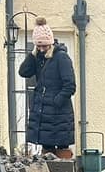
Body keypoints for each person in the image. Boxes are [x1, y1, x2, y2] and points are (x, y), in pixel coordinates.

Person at [18, 18, 76, 159]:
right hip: (43, 112)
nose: (42, 49)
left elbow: (70, 85)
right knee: (46, 147)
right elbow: (23, 72)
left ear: (50, 43)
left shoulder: (62, 58)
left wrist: (56, 101)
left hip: (59, 112)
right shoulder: (39, 57)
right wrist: (32, 55)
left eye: (44, 46)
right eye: (38, 46)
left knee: (62, 149)